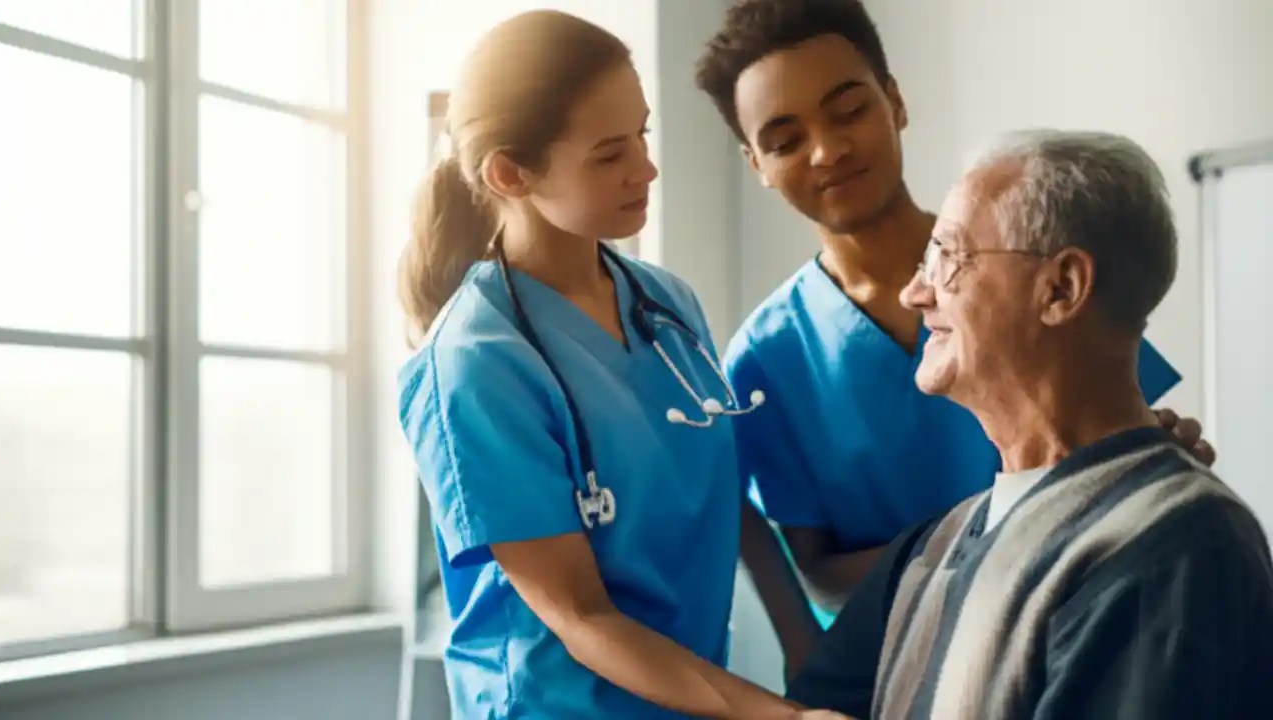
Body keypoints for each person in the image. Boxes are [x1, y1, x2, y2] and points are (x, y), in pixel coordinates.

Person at [693, 0, 1213, 667]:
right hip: (907, 664)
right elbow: (814, 575)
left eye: (849, 110)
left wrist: (1154, 461)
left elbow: (1118, 443)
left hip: (1087, 629)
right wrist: (1008, 529)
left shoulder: (1027, 260)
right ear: (756, 164)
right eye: (786, 141)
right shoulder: (765, 361)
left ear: (895, 102)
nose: (828, 150)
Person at [397, 11, 846, 720]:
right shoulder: (475, 364)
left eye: (642, 135)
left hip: (689, 698)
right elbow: (578, 613)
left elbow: (723, 496)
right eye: (610, 155)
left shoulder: (668, 306)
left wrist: (808, 656)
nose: (647, 168)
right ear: (510, 173)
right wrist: (778, 716)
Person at [788, 129, 1273, 719]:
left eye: (946, 257)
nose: (916, 293)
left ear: (1061, 288)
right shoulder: (928, 552)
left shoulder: (1179, 548)